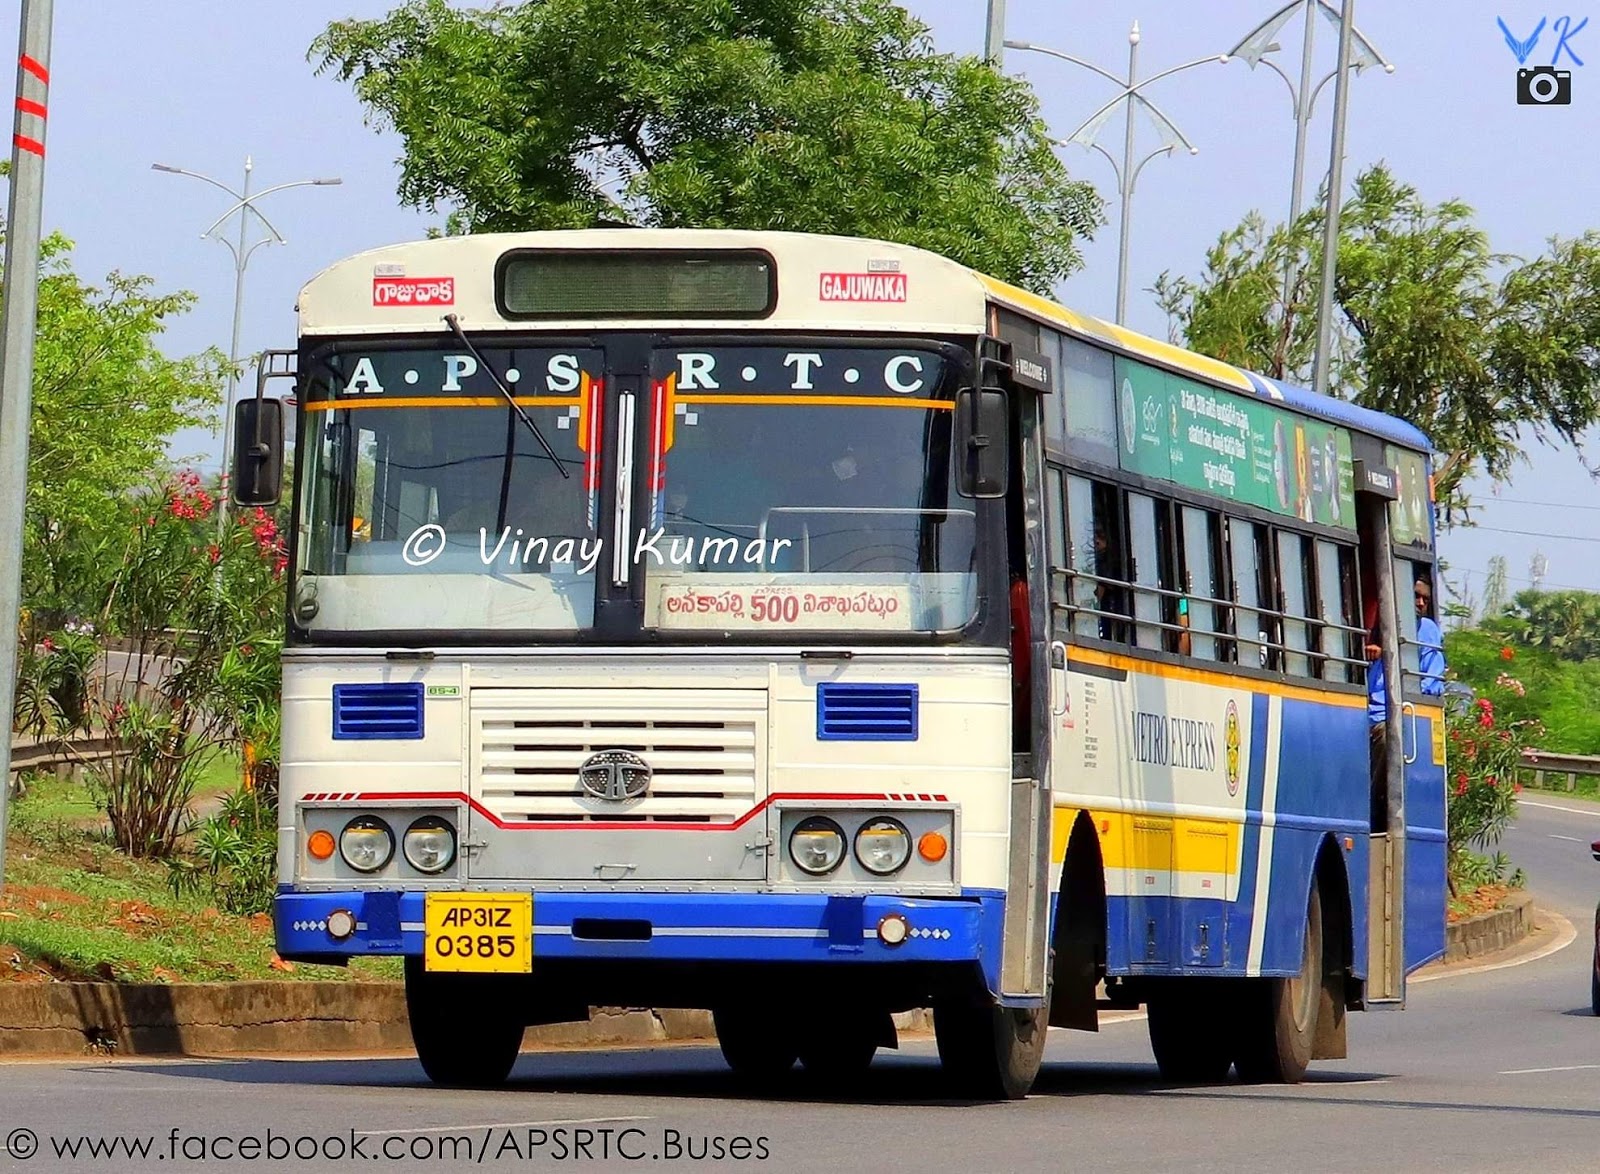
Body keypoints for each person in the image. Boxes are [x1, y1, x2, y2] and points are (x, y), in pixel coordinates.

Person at [1367, 577, 1446, 822]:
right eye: (1415, 596)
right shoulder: (1374, 620)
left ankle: (1375, 813)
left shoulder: (1428, 631)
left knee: (1391, 738)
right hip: (1359, 708)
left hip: (1392, 714)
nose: (1420, 603)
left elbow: (1431, 680)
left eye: (1425, 599)